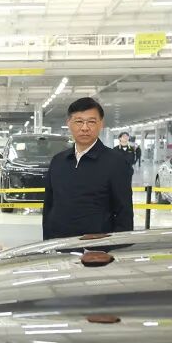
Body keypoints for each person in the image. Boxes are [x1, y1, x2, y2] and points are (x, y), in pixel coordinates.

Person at [42, 97, 133, 240]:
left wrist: (112, 248)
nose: (85, 128)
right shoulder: (58, 161)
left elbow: (124, 214)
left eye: (91, 122)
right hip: (58, 245)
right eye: (79, 121)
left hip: (96, 248)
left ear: (101, 124)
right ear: (69, 123)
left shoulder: (116, 162)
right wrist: (47, 243)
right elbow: (49, 206)